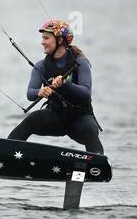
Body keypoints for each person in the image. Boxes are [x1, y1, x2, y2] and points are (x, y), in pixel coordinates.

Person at [7, 19, 103, 154]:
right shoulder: (40, 66)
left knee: (90, 130)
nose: (42, 42)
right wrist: (40, 91)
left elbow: (86, 93)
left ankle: (96, 165)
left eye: (46, 38)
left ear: (60, 40)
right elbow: (30, 94)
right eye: (42, 38)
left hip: (79, 119)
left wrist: (66, 84)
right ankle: (8, 153)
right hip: (56, 118)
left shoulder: (80, 62)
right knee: (31, 120)